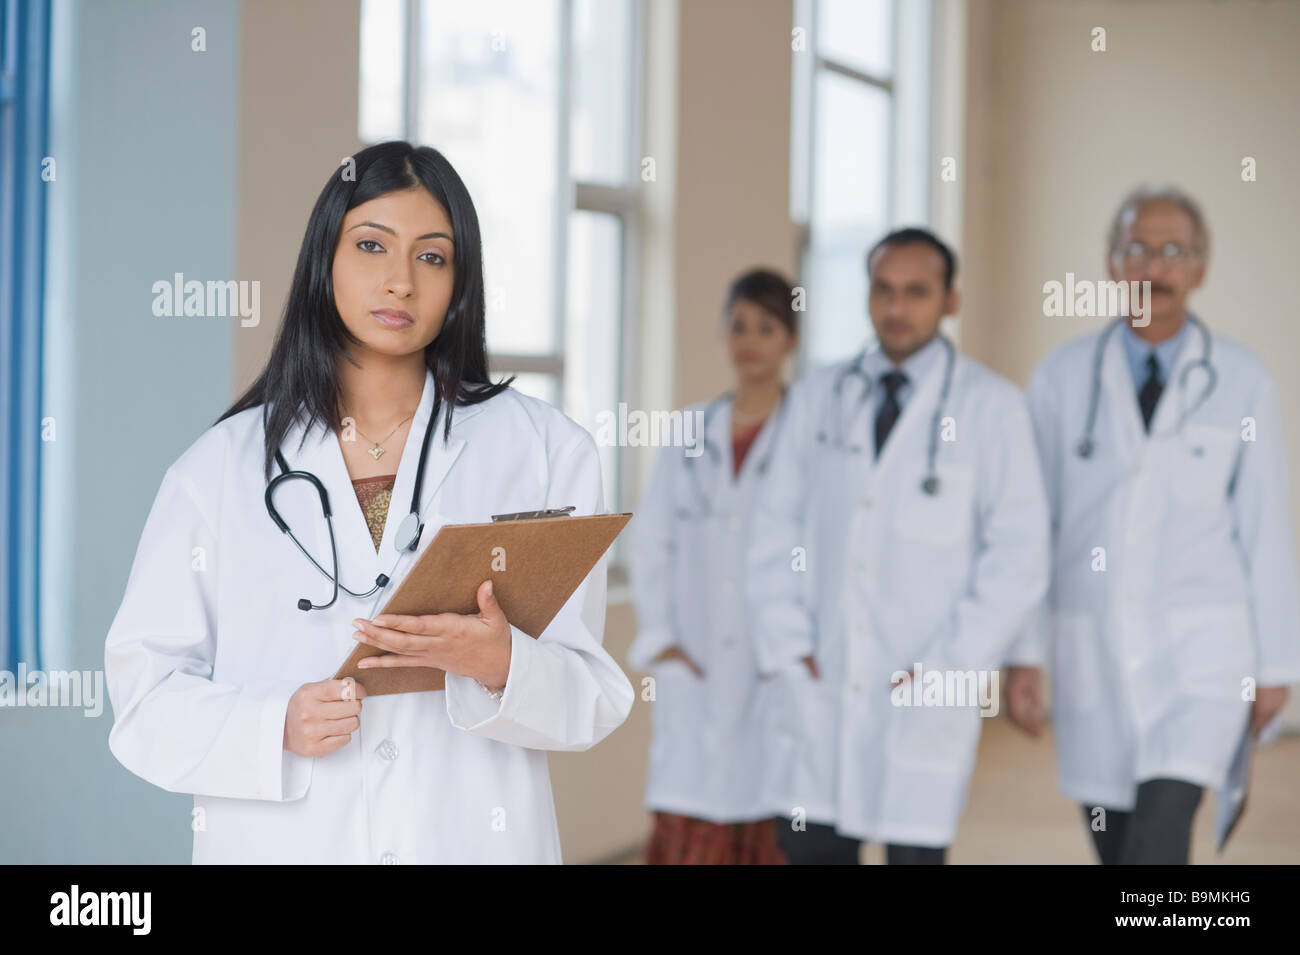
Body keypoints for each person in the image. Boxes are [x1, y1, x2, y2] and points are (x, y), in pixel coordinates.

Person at [104, 141, 634, 864]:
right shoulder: (218, 470)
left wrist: (502, 660)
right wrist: (273, 724)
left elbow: (593, 693)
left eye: (432, 256)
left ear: (461, 281)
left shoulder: (544, 451)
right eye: (371, 245)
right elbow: (143, 700)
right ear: (325, 261)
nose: (400, 282)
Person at [1004, 184, 1300, 865]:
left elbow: (1265, 527)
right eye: (1137, 249)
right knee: (1120, 853)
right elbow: (1031, 528)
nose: (1154, 267)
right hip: (1093, 652)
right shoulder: (1060, 378)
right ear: (1111, 262)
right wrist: (1024, 651)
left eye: (1174, 251)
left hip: (1203, 656)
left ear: (1200, 268)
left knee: (1158, 844)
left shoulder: (1242, 379)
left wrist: (1276, 665)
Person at [748, 228, 1049, 864]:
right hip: (818, 681)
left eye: (916, 292)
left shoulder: (993, 408)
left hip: (929, 685)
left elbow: (1018, 555)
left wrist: (951, 665)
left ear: (950, 301)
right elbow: (771, 530)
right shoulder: (817, 398)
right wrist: (788, 646)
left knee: (914, 852)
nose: (896, 307)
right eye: (883, 290)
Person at [627, 268, 798, 864]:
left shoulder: (813, 436)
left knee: (776, 812)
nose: (750, 339)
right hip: (694, 661)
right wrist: (663, 641)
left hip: (777, 665)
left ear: (791, 340)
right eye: (738, 325)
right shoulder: (688, 434)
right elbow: (652, 546)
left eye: (767, 326)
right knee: (694, 815)